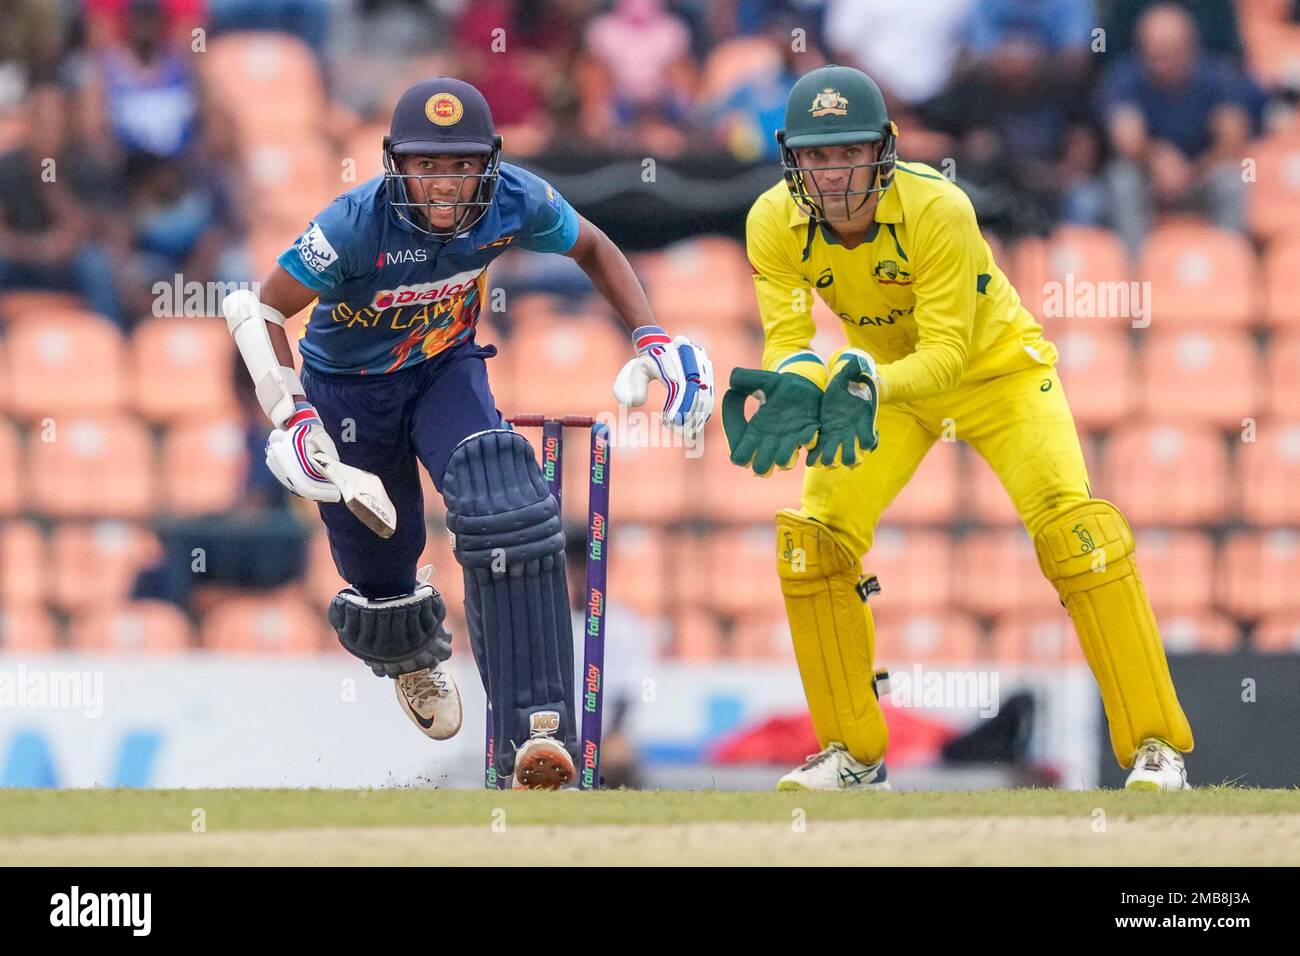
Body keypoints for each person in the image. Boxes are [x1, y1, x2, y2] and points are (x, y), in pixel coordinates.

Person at [223, 78, 712, 790]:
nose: (445, 182)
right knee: (382, 575)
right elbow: (266, 309)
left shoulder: (516, 199)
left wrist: (651, 335)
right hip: (344, 390)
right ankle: (413, 656)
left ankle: (536, 729)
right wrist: (293, 416)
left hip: (444, 369)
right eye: (428, 165)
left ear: (490, 162)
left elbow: (596, 247)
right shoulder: (355, 223)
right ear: (397, 164)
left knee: (507, 506)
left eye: (460, 164)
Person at [724, 64, 1193, 792]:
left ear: (883, 149)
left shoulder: (939, 208)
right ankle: (852, 754)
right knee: (811, 544)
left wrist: (857, 380)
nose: (834, 173)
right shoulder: (770, 220)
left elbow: (945, 356)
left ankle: (1157, 750)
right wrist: (797, 384)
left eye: (848, 152)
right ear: (792, 158)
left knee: (1078, 535)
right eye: (818, 156)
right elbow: (787, 341)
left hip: (996, 372)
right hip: (882, 384)